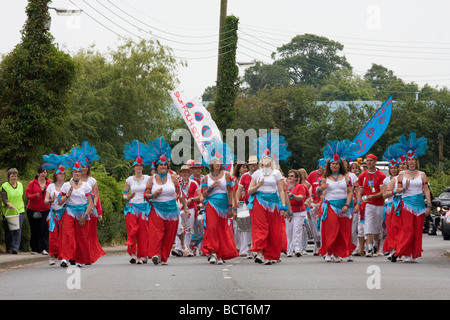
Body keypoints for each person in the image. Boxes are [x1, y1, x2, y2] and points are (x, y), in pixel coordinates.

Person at [248, 132, 290, 265]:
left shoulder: (276, 173)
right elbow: (249, 190)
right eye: (264, 157)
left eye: (269, 158)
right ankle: (260, 252)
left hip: (273, 203)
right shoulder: (257, 173)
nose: (266, 160)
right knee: (261, 228)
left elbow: (281, 191)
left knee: (274, 229)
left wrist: (283, 206)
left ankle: (270, 254)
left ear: (272, 160)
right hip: (259, 202)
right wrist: (258, 185)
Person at [145, 137, 188, 265]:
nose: (163, 166)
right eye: (160, 164)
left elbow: (179, 192)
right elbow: (146, 195)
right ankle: (156, 254)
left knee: (169, 235)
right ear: (156, 166)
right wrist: (153, 194)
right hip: (157, 209)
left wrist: (184, 206)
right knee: (156, 233)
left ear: (167, 165)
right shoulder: (151, 179)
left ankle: (164, 257)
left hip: (172, 209)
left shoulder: (173, 178)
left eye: (164, 164)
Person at [391, 131, 431, 263]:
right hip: (406, 203)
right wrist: (404, 189)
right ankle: (403, 252)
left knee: (417, 230)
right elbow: (396, 191)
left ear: (416, 161)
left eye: (413, 159)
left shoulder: (422, 174)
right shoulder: (402, 174)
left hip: (419, 204)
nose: (411, 162)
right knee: (408, 230)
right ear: (406, 161)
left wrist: (429, 206)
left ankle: (414, 253)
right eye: (409, 160)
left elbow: (426, 190)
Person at [200, 141, 238, 265]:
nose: (217, 163)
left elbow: (230, 192)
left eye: (219, 161)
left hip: (224, 205)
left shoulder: (226, 175)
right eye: (215, 161)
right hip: (211, 204)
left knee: (223, 229)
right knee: (212, 228)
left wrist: (231, 207)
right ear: (211, 163)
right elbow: (203, 195)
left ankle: (221, 254)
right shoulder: (206, 177)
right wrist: (212, 187)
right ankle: (212, 252)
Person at [317, 140, 355, 262]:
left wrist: (347, 205)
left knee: (342, 231)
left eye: (337, 164)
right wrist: (319, 189)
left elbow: (350, 192)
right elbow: (318, 193)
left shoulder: (347, 178)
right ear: (329, 165)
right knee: (331, 229)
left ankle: (336, 253)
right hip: (330, 206)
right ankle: (329, 252)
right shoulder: (325, 179)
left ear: (340, 165)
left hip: (343, 205)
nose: (334, 165)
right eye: (332, 163)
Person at [59, 152, 95, 268]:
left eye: (79, 172)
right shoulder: (65, 185)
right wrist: (67, 195)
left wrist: (85, 216)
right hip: (69, 212)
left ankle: (80, 260)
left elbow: (91, 203)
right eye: (75, 172)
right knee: (67, 235)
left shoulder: (86, 186)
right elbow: (60, 202)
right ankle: (65, 258)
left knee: (82, 237)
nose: (77, 174)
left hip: (82, 213)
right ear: (72, 173)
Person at [123, 140, 152, 264]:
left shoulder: (148, 178)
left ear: (142, 167)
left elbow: (152, 190)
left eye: (140, 165)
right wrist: (128, 197)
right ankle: (133, 254)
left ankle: (142, 254)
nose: (138, 167)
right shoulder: (129, 180)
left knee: (143, 232)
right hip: (132, 207)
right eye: (136, 165)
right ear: (134, 167)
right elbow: (124, 194)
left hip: (144, 207)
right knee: (132, 231)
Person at [78, 141, 105, 264]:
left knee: (89, 234)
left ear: (88, 168)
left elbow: (96, 196)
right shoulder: (75, 179)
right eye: (82, 166)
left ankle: (89, 257)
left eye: (86, 166)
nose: (84, 168)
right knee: (81, 234)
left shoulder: (92, 180)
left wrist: (97, 210)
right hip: (78, 209)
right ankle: (82, 256)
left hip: (90, 210)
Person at [356, 154, 386, 257]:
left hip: (379, 203)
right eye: (367, 161)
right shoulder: (362, 176)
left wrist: (372, 196)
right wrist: (359, 202)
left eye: (371, 161)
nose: (369, 163)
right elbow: (359, 191)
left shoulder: (381, 175)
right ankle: (369, 249)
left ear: (375, 162)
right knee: (368, 225)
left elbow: (382, 192)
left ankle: (375, 246)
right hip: (368, 204)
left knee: (377, 227)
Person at [42, 154, 67, 265]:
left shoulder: (67, 185)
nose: (61, 175)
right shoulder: (51, 186)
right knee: (52, 236)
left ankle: (63, 257)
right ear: (55, 175)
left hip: (65, 213)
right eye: (59, 173)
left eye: (63, 173)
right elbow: (45, 201)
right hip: (53, 214)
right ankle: (52, 256)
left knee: (63, 236)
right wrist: (51, 200)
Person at [174, 165, 201, 257]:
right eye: (183, 172)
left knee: (188, 229)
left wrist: (192, 199)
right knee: (179, 228)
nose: (184, 173)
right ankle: (178, 248)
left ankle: (186, 248)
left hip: (190, 208)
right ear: (180, 173)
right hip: (179, 208)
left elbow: (200, 196)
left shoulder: (193, 183)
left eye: (186, 172)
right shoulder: (177, 183)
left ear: (189, 173)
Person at [25, 167, 51, 255]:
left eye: (45, 172)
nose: (44, 174)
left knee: (44, 228)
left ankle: (44, 248)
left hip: (46, 209)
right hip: (33, 209)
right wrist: (34, 196)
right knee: (34, 228)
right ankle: (34, 248)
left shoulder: (49, 183)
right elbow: (27, 195)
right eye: (42, 172)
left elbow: (53, 193)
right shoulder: (32, 183)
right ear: (38, 174)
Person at [285, 169, 309, 257]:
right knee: (289, 231)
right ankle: (289, 250)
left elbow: (301, 198)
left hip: (299, 212)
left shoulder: (300, 187)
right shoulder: (285, 187)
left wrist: (292, 196)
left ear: (296, 178)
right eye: (289, 176)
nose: (290, 177)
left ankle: (297, 249)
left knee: (297, 230)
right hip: (288, 212)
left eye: (292, 176)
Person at [1, 168, 25, 254]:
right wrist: (8, 204)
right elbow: (4, 198)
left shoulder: (20, 185)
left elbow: (21, 197)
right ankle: (9, 247)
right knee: (9, 230)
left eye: (15, 176)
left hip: (19, 210)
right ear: (9, 177)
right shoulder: (5, 186)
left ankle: (15, 248)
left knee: (17, 229)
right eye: (12, 176)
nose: (14, 178)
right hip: (8, 211)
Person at [232, 162, 252, 257]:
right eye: (243, 167)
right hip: (237, 205)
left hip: (245, 203)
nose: (245, 169)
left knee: (245, 226)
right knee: (237, 228)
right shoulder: (234, 180)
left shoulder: (249, 178)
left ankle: (245, 249)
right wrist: (233, 205)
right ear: (239, 169)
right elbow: (232, 192)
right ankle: (238, 247)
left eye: (246, 167)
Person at [305, 158, 325, 255]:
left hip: (324, 203)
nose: (324, 167)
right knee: (314, 227)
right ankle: (317, 245)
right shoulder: (313, 174)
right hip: (313, 204)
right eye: (323, 164)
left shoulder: (329, 175)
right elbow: (305, 187)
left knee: (323, 226)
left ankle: (323, 246)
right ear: (319, 165)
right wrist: (308, 198)